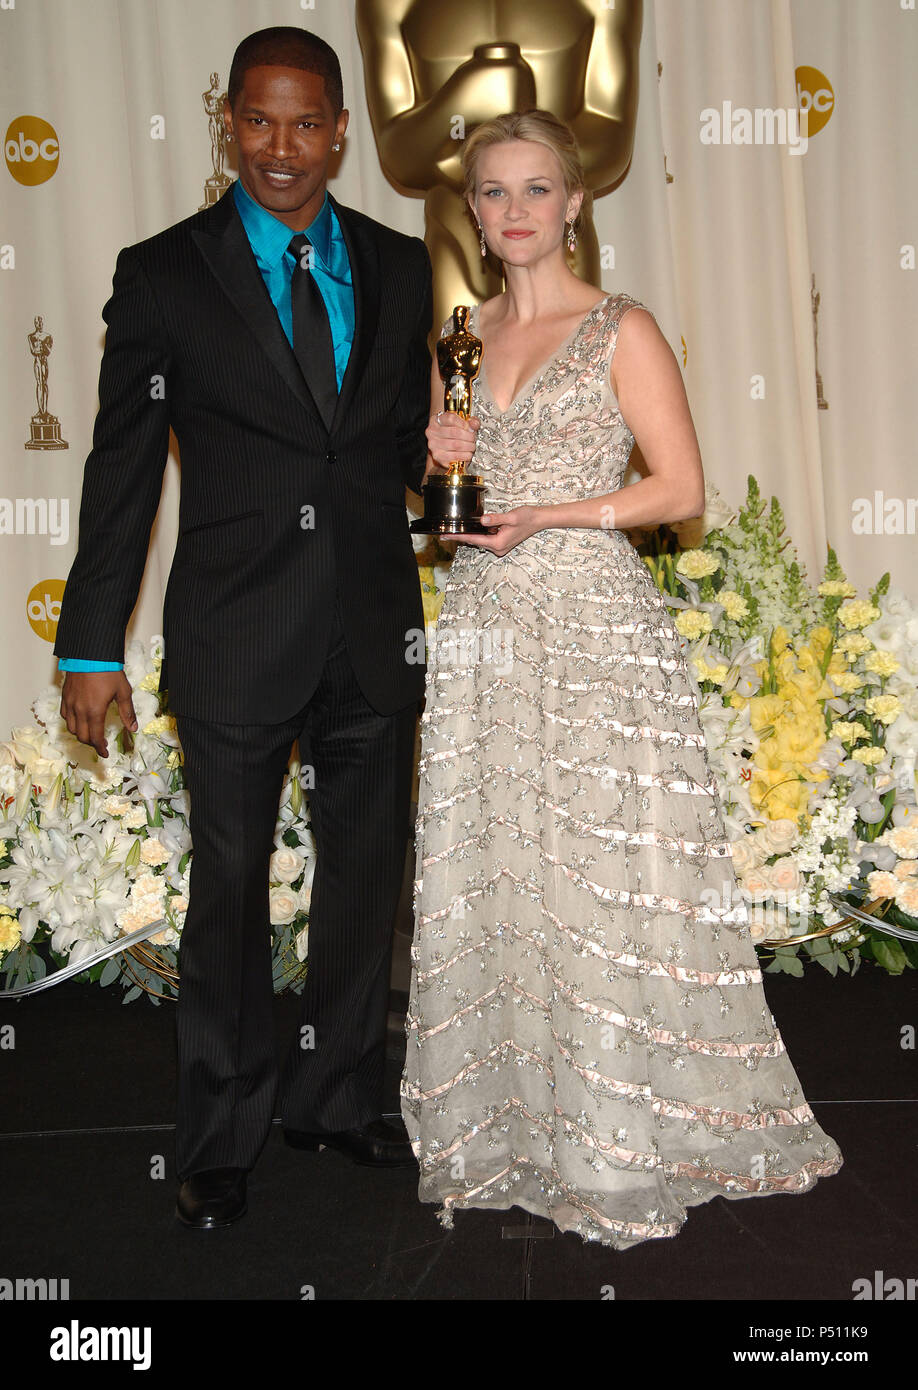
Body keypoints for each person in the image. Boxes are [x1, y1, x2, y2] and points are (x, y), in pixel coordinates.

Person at [401, 110, 843, 1248]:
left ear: (577, 201)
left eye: (535, 190)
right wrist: (438, 463)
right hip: (489, 627)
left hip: (594, 623)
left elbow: (680, 487)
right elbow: (450, 504)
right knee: (506, 858)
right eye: (492, 193)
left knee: (603, 866)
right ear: (472, 210)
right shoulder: (462, 334)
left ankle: (623, 1128)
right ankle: (514, 1122)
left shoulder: (621, 328)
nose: (513, 213)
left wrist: (554, 512)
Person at [54, 27, 433, 1230]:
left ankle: (335, 1095)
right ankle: (218, 1134)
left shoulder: (401, 262)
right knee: (227, 893)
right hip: (232, 633)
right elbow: (121, 472)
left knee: (366, 887)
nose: (282, 147)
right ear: (228, 124)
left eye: (306, 123)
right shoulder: (164, 274)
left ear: (339, 131)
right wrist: (89, 642)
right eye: (259, 122)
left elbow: (402, 443)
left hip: (371, 626)